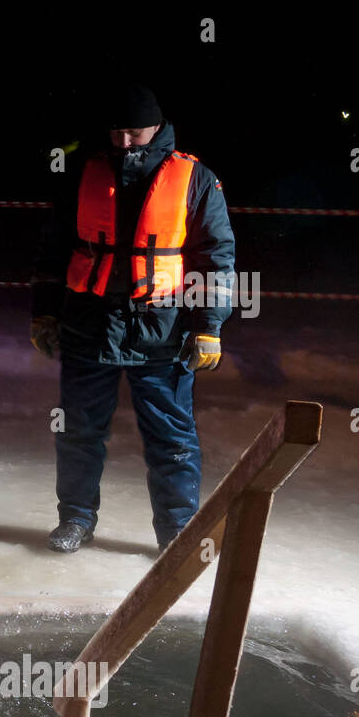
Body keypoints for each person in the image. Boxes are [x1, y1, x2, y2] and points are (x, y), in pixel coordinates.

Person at [30, 81, 237, 553]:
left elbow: (216, 257)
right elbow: (53, 249)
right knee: (78, 432)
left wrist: (209, 326)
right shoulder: (82, 170)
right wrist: (42, 312)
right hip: (89, 325)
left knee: (172, 438)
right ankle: (76, 519)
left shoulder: (196, 178)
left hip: (163, 332)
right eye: (117, 133)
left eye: (135, 134)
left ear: (158, 128)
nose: (124, 143)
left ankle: (178, 532)